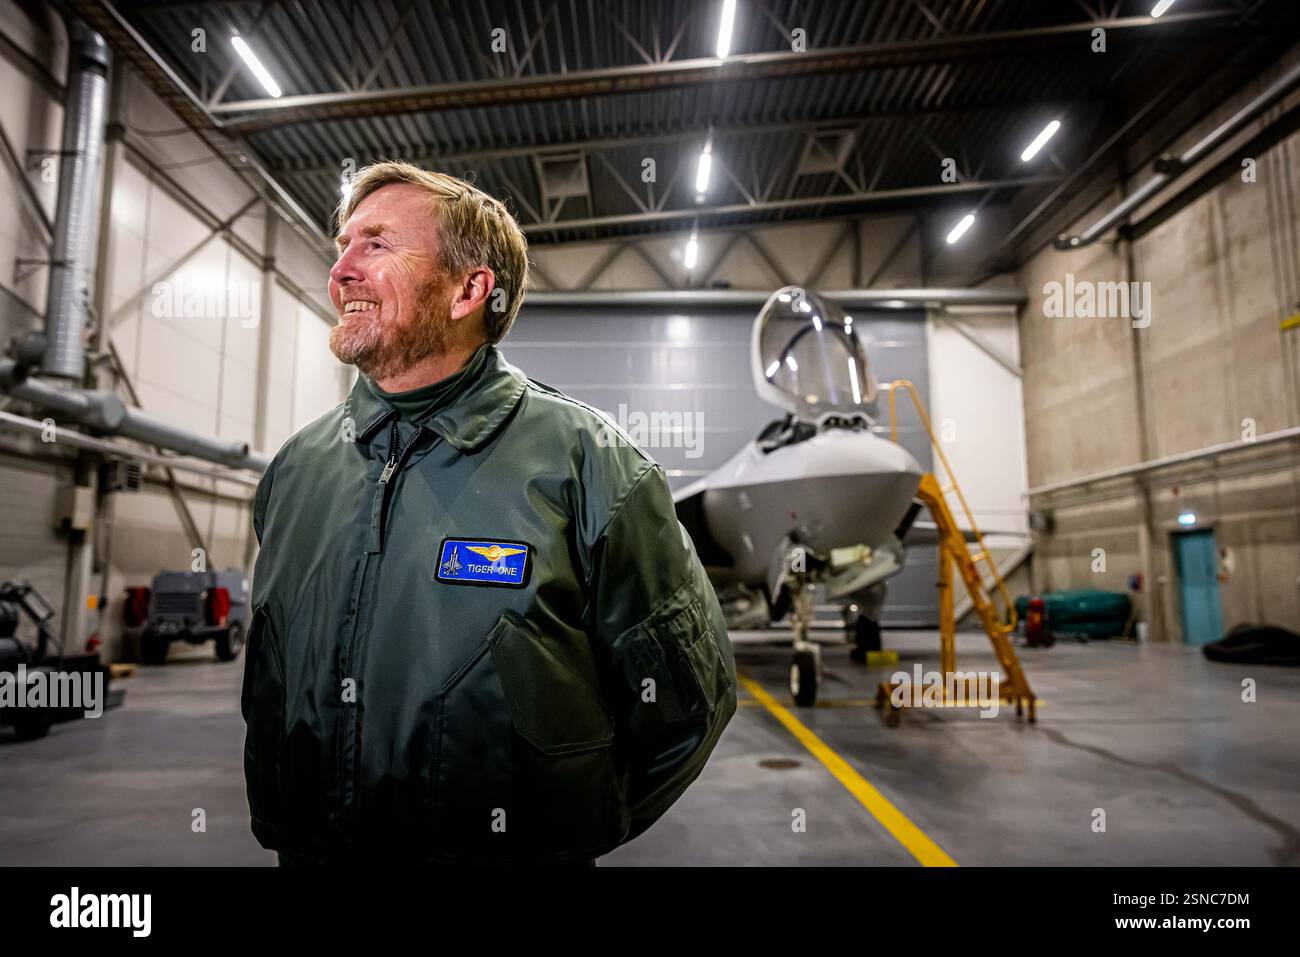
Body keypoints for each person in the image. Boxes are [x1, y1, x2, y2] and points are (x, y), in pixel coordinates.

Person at [242, 161, 736, 866]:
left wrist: (559, 830)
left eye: (375, 245)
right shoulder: (296, 472)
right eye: (342, 246)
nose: (341, 271)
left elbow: (689, 704)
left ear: (470, 289)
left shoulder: (591, 466)